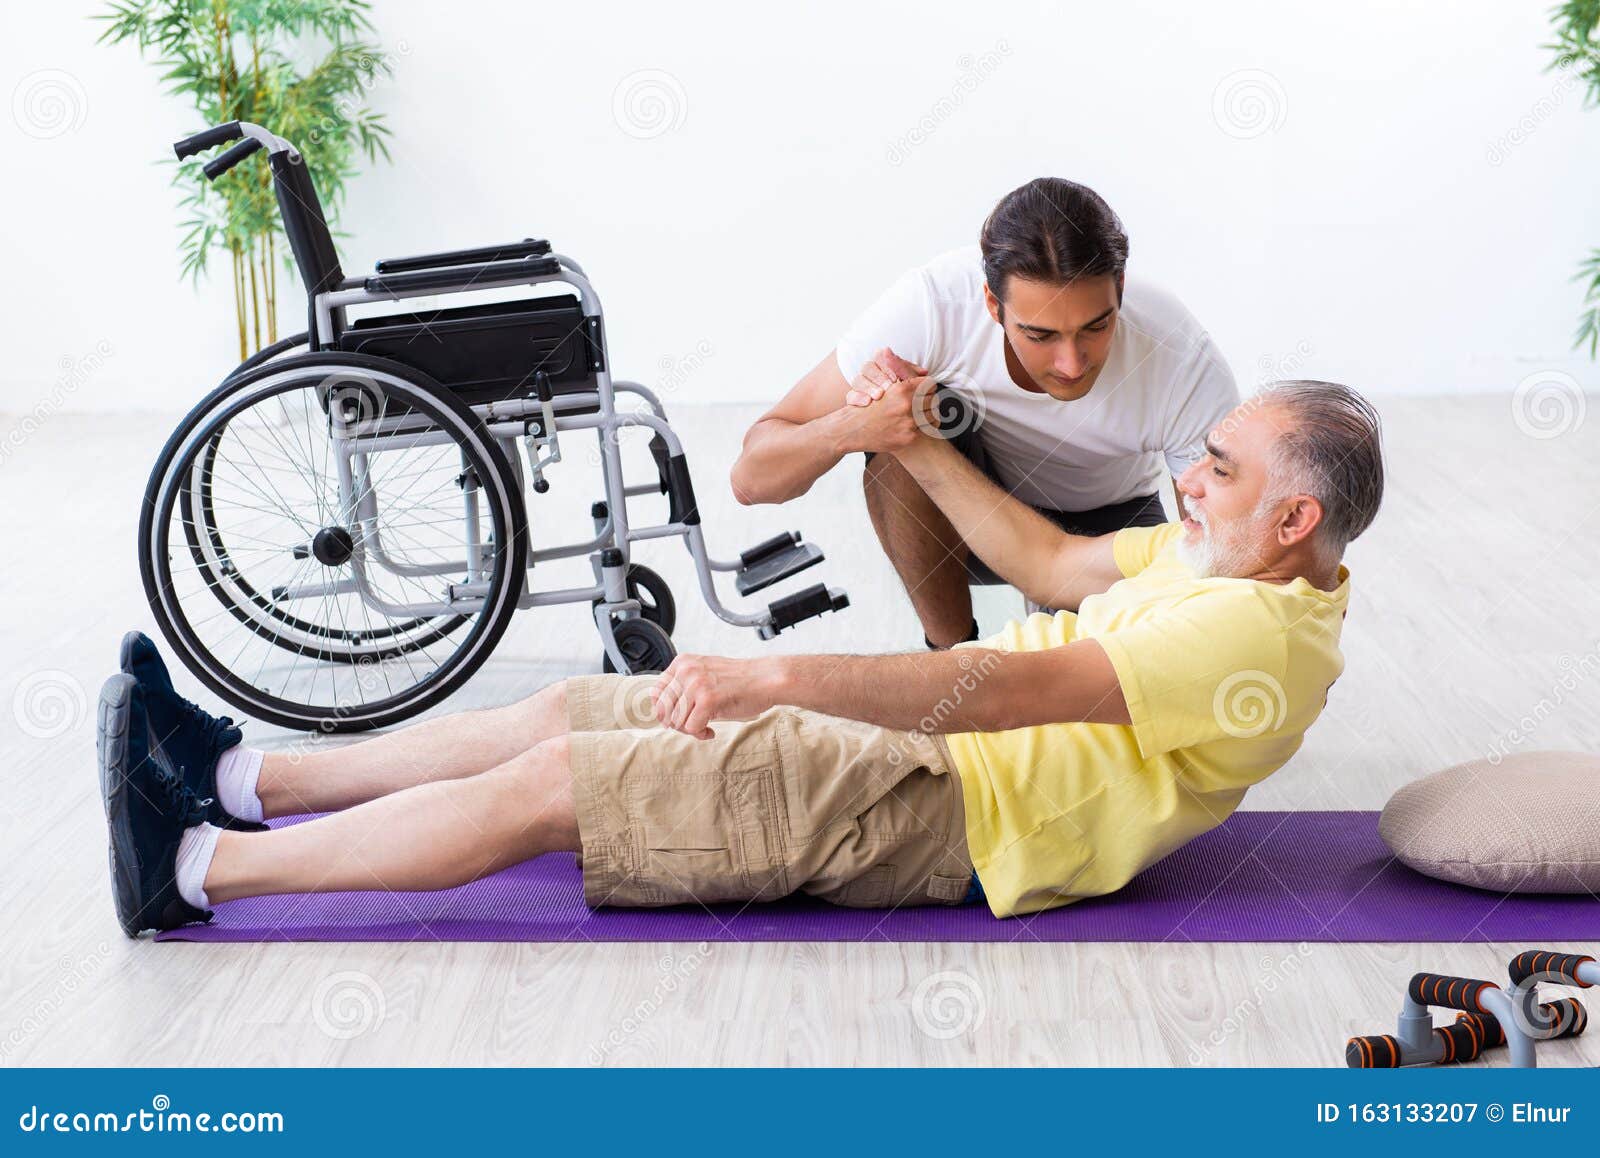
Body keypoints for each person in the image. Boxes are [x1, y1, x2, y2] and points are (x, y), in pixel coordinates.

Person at [98, 381, 1382, 933]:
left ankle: (198, 871)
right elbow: (1049, 568)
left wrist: (769, 675)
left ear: (1293, 519)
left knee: (562, 790)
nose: (1186, 478)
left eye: (1218, 469)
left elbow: (1000, 693)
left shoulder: (1244, 630)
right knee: (564, 709)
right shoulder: (1229, 558)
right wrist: (905, 440)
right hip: (930, 753)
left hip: (950, 810)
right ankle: (243, 781)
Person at [730, 177, 1240, 648]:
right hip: (968, 516)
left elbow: (1226, 558)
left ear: (1121, 290)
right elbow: (751, 480)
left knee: (1118, 676)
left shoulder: (1181, 357)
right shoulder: (932, 307)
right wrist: (852, 426)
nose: (1071, 363)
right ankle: (950, 658)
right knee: (897, 435)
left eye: (1095, 326)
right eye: (1040, 335)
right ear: (993, 307)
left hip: (1109, 526)